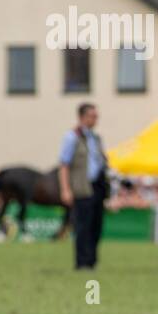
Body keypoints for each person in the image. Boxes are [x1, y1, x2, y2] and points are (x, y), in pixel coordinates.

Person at [58, 102, 108, 270]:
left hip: (97, 186)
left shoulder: (96, 138)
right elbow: (64, 164)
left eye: (96, 116)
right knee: (83, 225)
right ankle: (82, 261)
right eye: (92, 116)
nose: (95, 119)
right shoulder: (72, 137)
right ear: (82, 117)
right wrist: (66, 189)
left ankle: (92, 260)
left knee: (96, 224)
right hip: (82, 186)